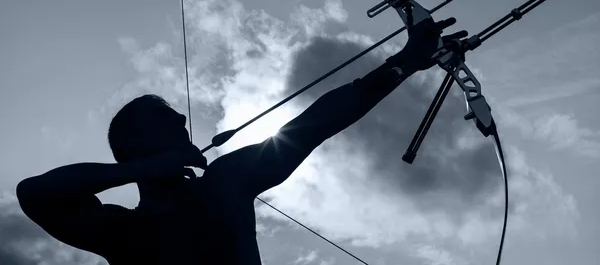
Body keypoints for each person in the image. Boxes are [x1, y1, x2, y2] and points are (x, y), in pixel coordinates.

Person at [16, 18, 467, 265]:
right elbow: (33, 194)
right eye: (163, 117)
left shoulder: (223, 182)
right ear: (133, 146)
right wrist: (147, 170)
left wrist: (403, 63)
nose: (180, 117)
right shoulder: (124, 231)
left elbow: (315, 124)